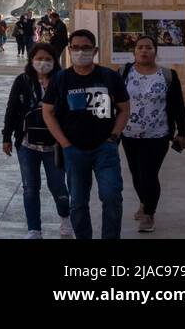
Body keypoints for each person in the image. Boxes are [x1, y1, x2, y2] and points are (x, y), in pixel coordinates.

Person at [42, 28, 129, 240]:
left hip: (104, 148)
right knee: (78, 203)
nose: (81, 52)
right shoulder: (61, 79)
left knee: (111, 197)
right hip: (73, 150)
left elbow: (124, 109)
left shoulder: (109, 77)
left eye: (86, 48)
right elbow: (48, 112)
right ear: (70, 50)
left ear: (95, 50)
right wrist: (64, 144)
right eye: (76, 48)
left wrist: (114, 136)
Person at [2, 42, 72, 239]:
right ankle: (34, 229)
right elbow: (12, 109)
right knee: (30, 187)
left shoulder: (63, 80)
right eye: (39, 59)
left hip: (54, 144)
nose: (43, 63)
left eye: (48, 59)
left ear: (55, 61)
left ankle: (66, 218)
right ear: (31, 60)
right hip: (27, 143)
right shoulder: (23, 81)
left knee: (58, 185)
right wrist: (6, 137)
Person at [119, 34, 185, 231]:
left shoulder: (168, 75)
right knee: (136, 174)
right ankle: (144, 201)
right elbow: (115, 103)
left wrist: (182, 132)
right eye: (140, 47)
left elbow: (178, 106)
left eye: (148, 47)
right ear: (134, 51)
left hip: (157, 135)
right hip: (129, 133)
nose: (144, 51)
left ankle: (149, 214)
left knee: (149, 174)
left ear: (155, 51)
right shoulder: (123, 72)